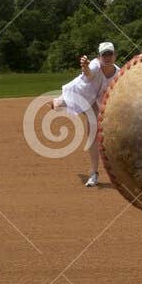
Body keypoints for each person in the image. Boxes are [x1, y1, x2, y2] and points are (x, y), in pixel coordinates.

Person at [50, 42, 120, 186]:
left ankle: (94, 174)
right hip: (80, 94)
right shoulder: (94, 65)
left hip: (94, 102)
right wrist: (85, 67)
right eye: (104, 54)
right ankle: (55, 101)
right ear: (99, 57)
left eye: (110, 54)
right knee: (57, 106)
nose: (107, 57)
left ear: (115, 55)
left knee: (93, 134)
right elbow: (88, 74)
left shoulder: (118, 74)